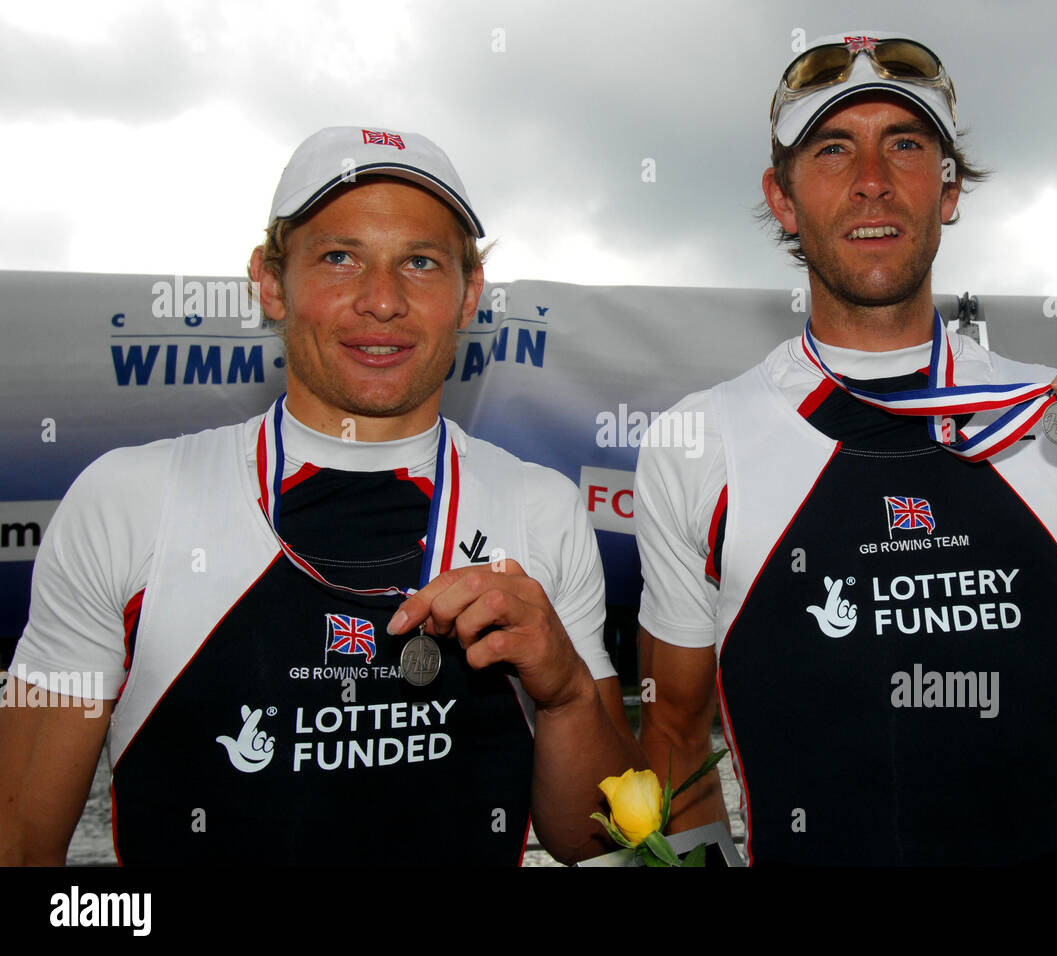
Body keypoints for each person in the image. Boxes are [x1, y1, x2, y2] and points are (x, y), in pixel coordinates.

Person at [634, 32, 1057, 865]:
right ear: (782, 199)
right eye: (832, 150)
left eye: (907, 145)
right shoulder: (697, 445)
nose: (873, 182)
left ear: (948, 189)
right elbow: (672, 730)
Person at [0, 125, 641, 865]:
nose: (382, 301)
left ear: (469, 297)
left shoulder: (541, 508)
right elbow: (19, 846)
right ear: (270, 283)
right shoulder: (129, 501)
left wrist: (564, 694)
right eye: (340, 257)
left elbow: (594, 841)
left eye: (422, 263)